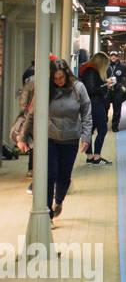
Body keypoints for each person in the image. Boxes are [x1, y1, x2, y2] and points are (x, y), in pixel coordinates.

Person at [16, 58, 91, 222]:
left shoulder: (78, 88)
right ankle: (48, 213)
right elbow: (31, 115)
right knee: (50, 175)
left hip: (70, 138)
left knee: (64, 177)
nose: (58, 82)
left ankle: (59, 201)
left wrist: (86, 136)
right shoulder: (45, 90)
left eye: (61, 78)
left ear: (67, 76)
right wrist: (22, 137)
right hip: (49, 138)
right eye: (55, 79)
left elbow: (86, 112)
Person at [79, 51, 113, 165]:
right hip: (95, 104)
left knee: (89, 130)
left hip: (89, 104)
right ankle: (96, 157)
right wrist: (105, 85)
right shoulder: (91, 71)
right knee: (102, 129)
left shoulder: (86, 69)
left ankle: (90, 156)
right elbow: (91, 89)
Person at [107, 51, 126, 131]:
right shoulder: (106, 66)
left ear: (117, 57)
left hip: (118, 91)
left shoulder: (122, 67)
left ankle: (115, 126)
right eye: (112, 55)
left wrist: (125, 86)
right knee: (105, 108)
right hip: (107, 91)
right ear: (109, 57)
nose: (113, 57)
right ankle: (104, 124)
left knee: (117, 109)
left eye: (115, 56)